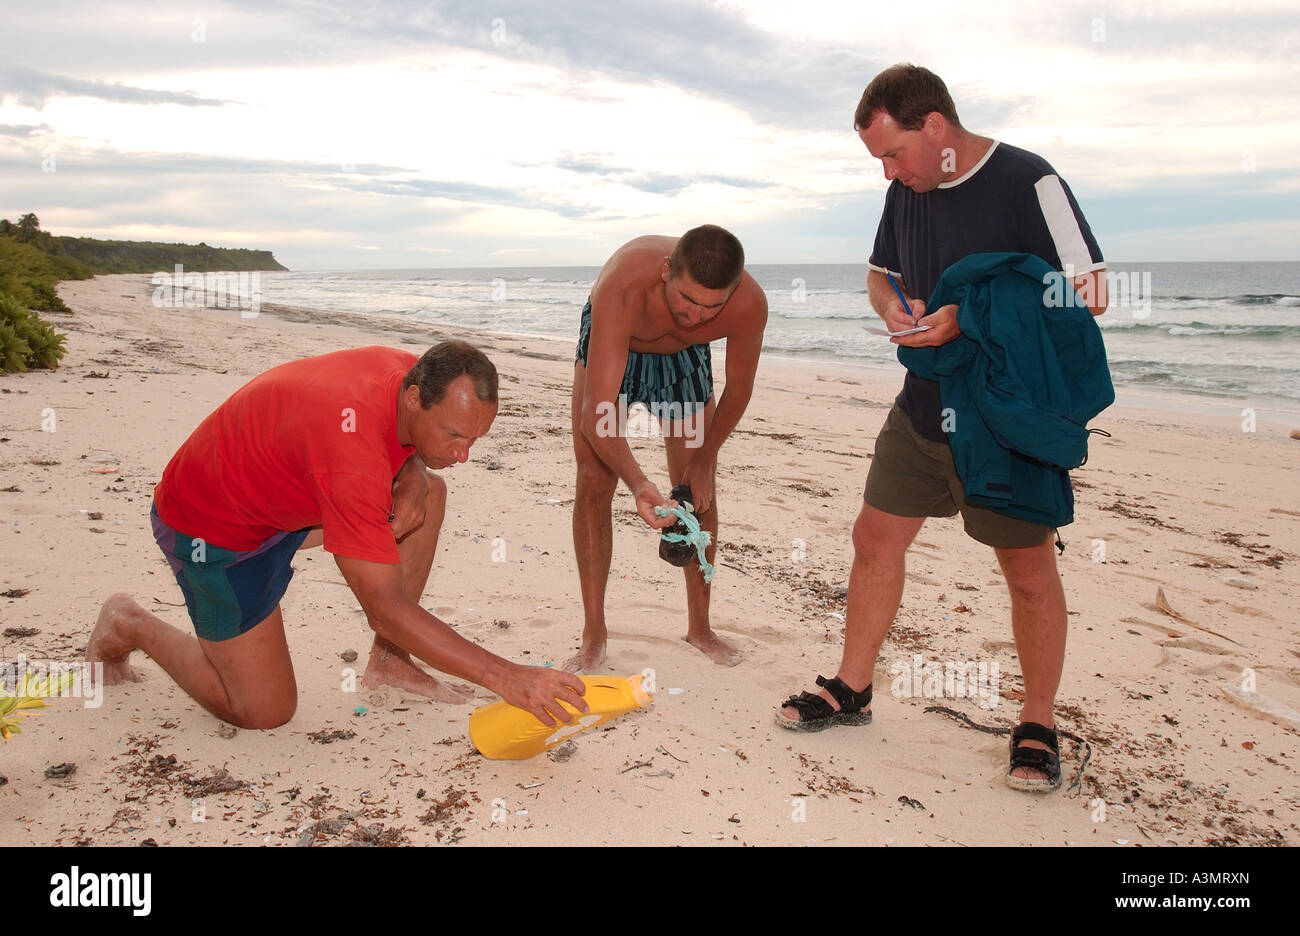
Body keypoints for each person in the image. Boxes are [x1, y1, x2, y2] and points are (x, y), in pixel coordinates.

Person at [776, 64, 1108, 793]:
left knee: (1026, 574)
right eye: (879, 162)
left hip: (1007, 423)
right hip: (924, 402)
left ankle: (1038, 722)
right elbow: (878, 272)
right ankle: (853, 688)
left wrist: (973, 314)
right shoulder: (906, 192)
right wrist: (894, 305)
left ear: (935, 127)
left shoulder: (1032, 182)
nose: (888, 174)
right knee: (874, 539)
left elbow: (1090, 293)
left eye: (893, 154)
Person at [86, 341, 588, 729]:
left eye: (475, 438)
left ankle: (390, 661)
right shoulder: (352, 462)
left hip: (289, 503)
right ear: (414, 398)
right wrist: (508, 676)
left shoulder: (415, 373)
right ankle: (129, 623)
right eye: (455, 436)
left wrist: (413, 472)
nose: (464, 455)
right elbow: (385, 607)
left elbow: (389, 443)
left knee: (428, 494)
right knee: (263, 711)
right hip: (211, 528)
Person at [568, 225, 768, 670]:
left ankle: (701, 627)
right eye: (687, 300)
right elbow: (594, 414)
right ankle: (594, 632)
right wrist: (638, 483)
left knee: (698, 491)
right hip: (616, 344)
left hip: (684, 360)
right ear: (666, 272)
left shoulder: (748, 304)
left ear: (732, 293)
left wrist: (705, 458)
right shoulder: (624, 289)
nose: (697, 316)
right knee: (594, 479)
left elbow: (739, 390)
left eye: (710, 307)